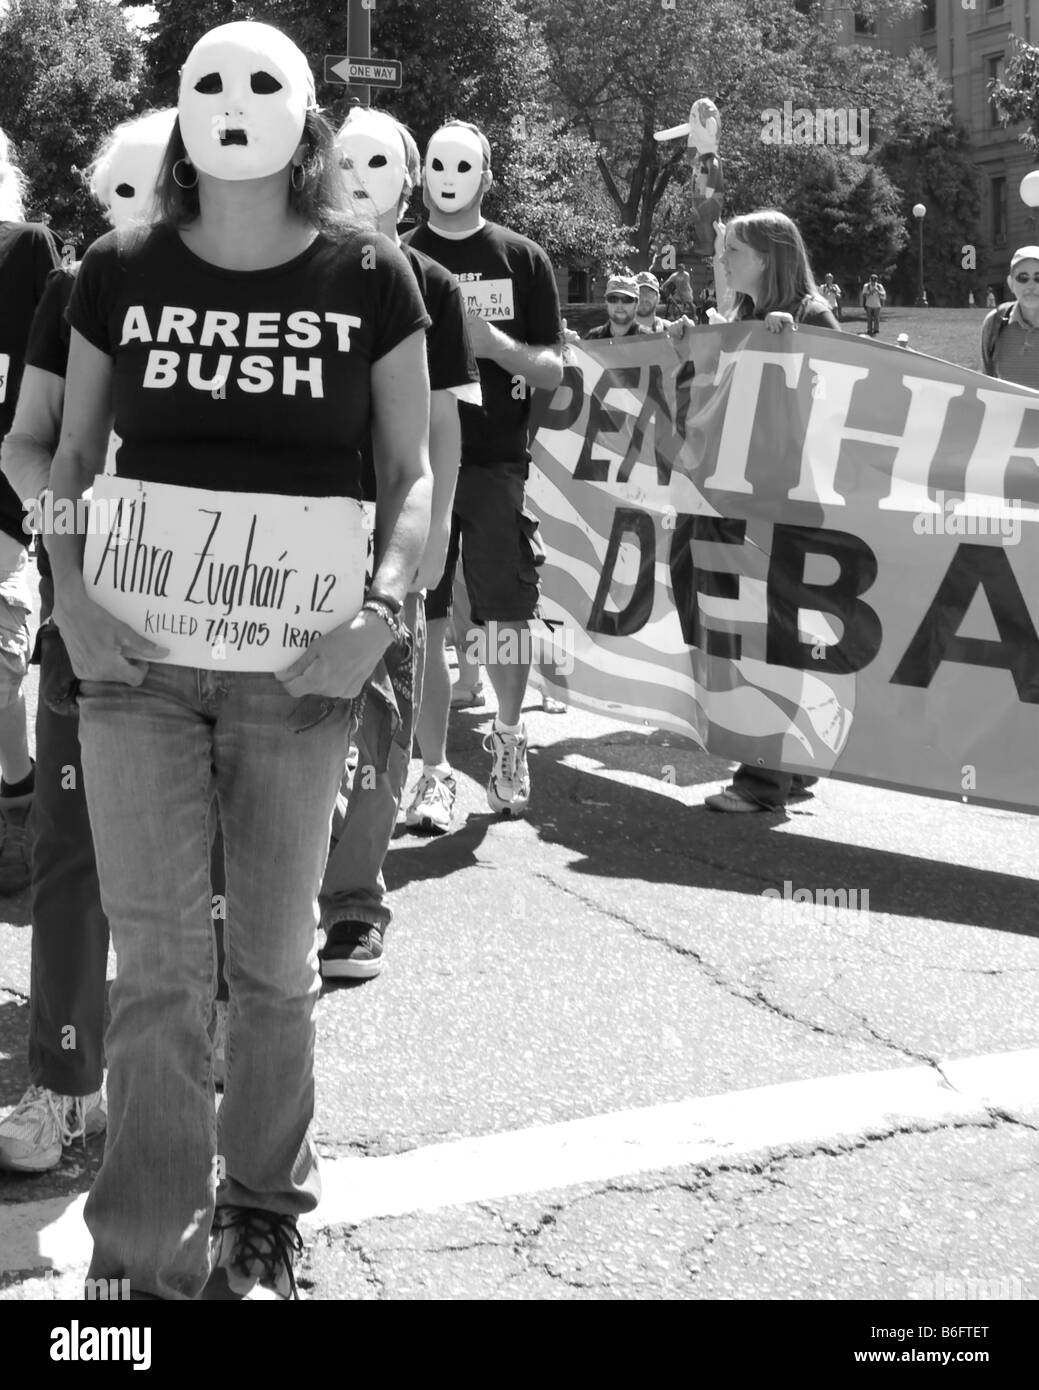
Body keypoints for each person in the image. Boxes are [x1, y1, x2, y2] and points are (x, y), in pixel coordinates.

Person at [47, 21, 431, 1300]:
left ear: (305, 116)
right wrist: (68, 590)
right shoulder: (116, 267)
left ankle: (263, 1214)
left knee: (272, 966)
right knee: (156, 972)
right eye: (208, 80)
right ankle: (141, 1263)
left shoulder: (373, 276)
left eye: (262, 83)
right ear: (182, 107)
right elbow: (63, 459)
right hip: (135, 669)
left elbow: (411, 472)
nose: (233, 103)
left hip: (301, 671)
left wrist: (383, 612)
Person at [0, 108, 175, 1173]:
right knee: (73, 853)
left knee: (204, 874)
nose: (151, 207)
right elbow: (29, 449)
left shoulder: (299, 287)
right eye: (128, 190)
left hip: (239, 642)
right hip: (93, 618)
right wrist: (74, 555)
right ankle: (66, 1086)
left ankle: (192, 1098)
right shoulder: (76, 290)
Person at [317, 106, 479, 980]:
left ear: (409, 177)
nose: (359, 173)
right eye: (343, 157)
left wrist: (435, 531)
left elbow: (442, 427)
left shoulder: (431, 283)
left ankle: (352, 904)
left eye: (378, 161)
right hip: (292, 544)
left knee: (382, 717)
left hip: (388, 543)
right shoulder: (291, 263)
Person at [403, 120, 564, 832]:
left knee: (504, 617)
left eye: (461, 164)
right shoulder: (396, 256)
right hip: (416, 468)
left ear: (486, 175)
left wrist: (493, 345)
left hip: (495, 464)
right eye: (436, 162)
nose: (447, 174)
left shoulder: (523, 258)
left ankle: (506, 737)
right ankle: (432, 770)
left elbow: (555, 370)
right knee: (424, 622)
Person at [703, 210, 839, 815]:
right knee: (765, 634)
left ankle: (762, 781)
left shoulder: (808, 317)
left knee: (771, 637)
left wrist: (800, 349)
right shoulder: (740, 319)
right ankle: (794, 768)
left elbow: (842, 400)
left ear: (767, 256)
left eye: (734, 252)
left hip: (788, 502)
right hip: (748, 499)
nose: (726, 262)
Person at [0, 127, 60, 893]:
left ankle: (17, 797)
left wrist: (23, 513)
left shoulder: (26, 252)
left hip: (3, 494)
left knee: (1, 660)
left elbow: (42, 391)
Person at [980, 244, 1039, 388]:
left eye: (1038, 277)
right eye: (1023, 277)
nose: (1031, 285)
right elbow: (985, 381)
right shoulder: (994, 322)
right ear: (1011, 283)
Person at [582, 272, 651, 339]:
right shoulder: (592, 339)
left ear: (636, 303)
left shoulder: (650, 339)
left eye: (627, 299)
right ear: (606, 302)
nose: (619, 305)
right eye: (613, 299)